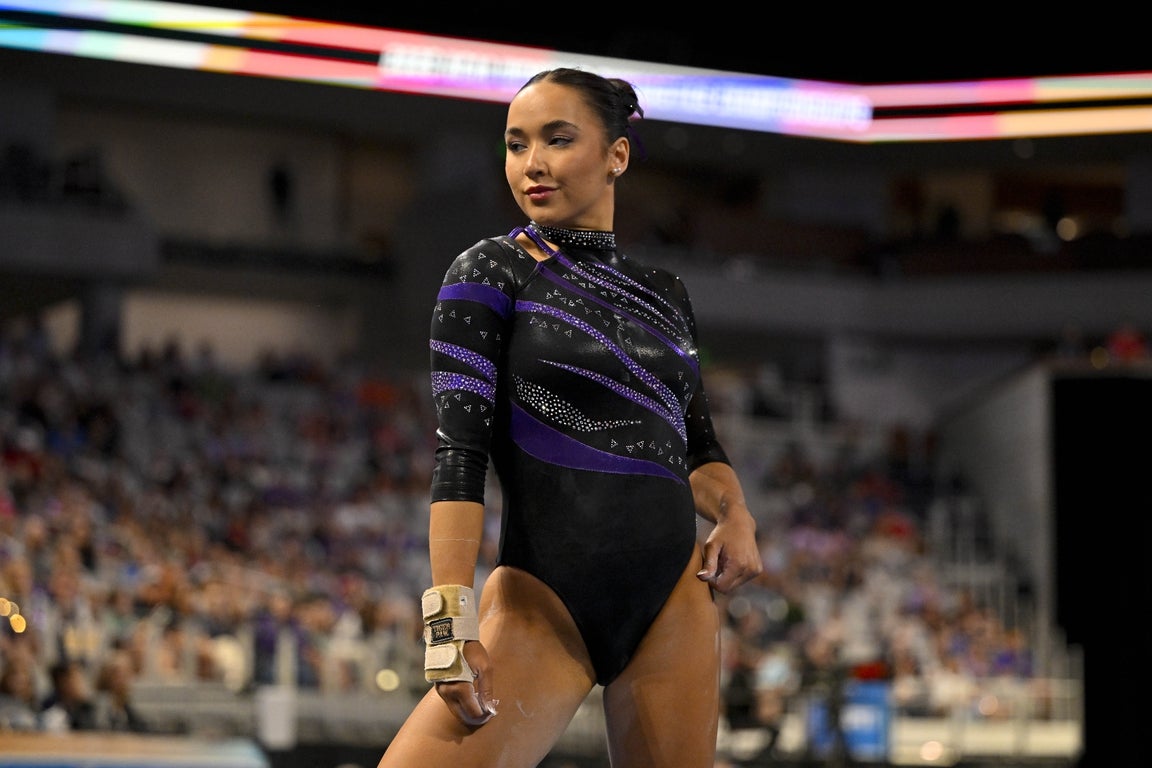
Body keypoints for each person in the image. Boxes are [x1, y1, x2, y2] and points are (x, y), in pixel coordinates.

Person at [377, 67, 763, 768]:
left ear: (617, 154)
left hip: (673, 603)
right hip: (546, 602)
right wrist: (447, 625)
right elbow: (458, 453)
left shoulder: (665, 293)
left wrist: (736, 515)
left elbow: (695, 444)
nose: (534, 164)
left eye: (558, 139)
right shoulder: (490, 271)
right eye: (516, 144)